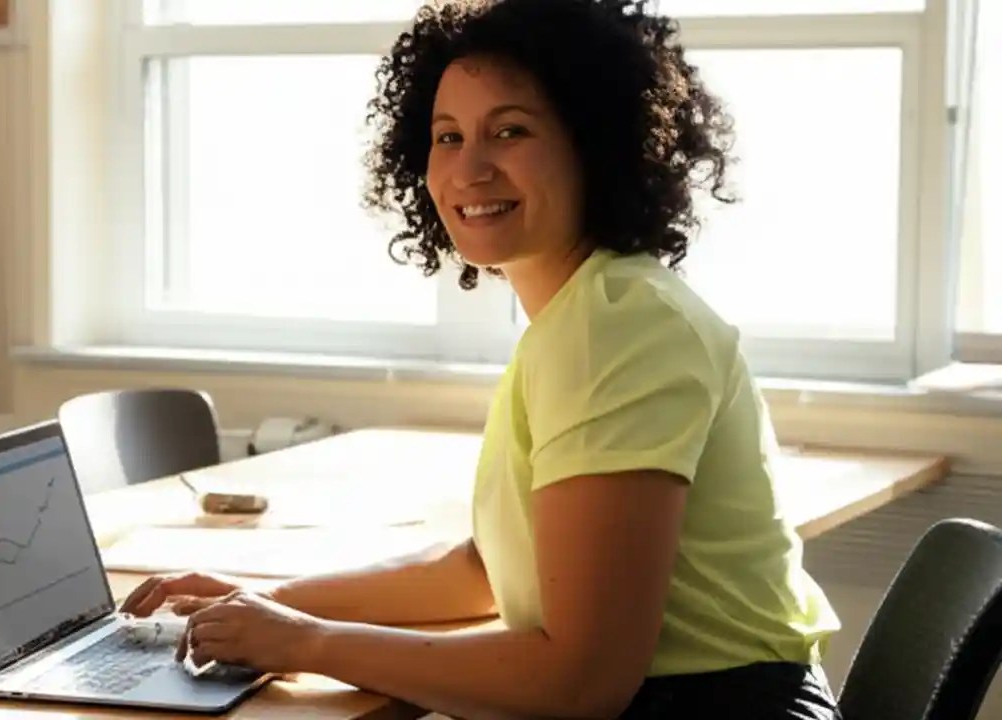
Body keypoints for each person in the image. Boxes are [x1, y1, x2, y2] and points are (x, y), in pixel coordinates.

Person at [121, 0, 842, 717]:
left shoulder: (617, 326)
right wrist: (266, 602)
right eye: (447, 136)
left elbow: (580, 682)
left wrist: (305, 643)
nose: (469, 168)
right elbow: (483, 570)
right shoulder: (588, 311)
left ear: (594, 144)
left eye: (510, 131)